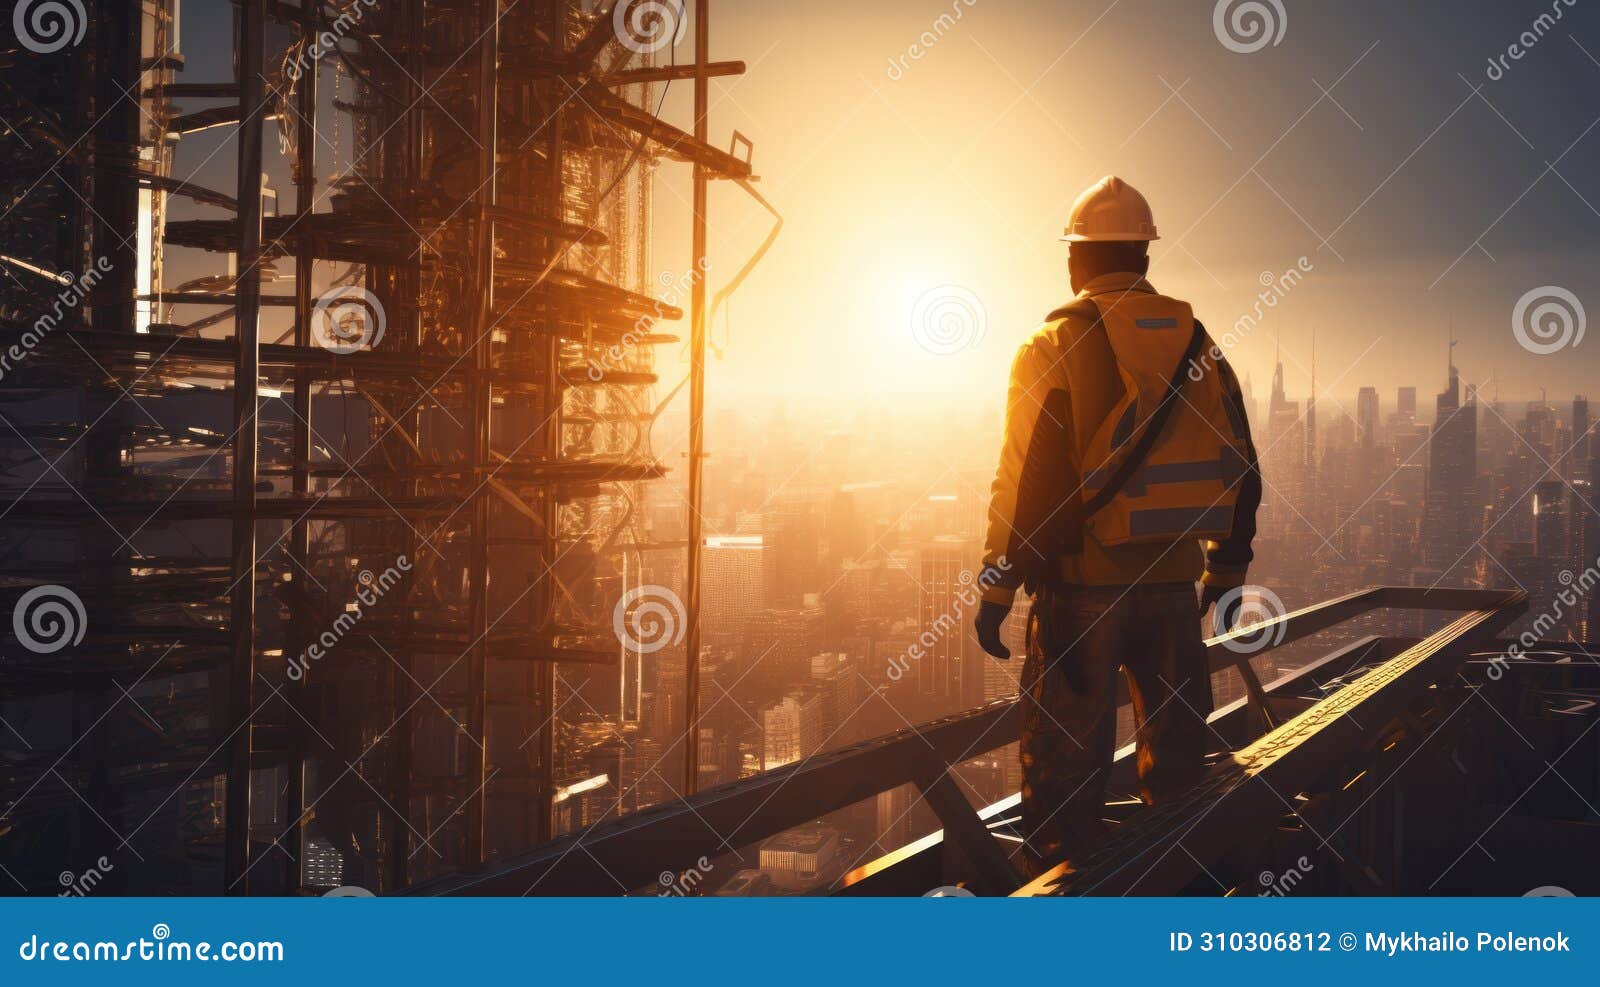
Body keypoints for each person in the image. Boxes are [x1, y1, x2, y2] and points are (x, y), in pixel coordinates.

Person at [972, 175, 1261, 873]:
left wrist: (995, 589)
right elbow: (1241, 463)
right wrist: (1226, 571)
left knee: (1065, 778)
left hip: (1081, 594)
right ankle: (1174, 911)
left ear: (1075, 261)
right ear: (1146, 258)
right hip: (1172, 587)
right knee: (1179, 774)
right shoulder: (1198, 342)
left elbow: (1021, 481)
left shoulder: (1050, 346)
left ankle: (1071, 925)